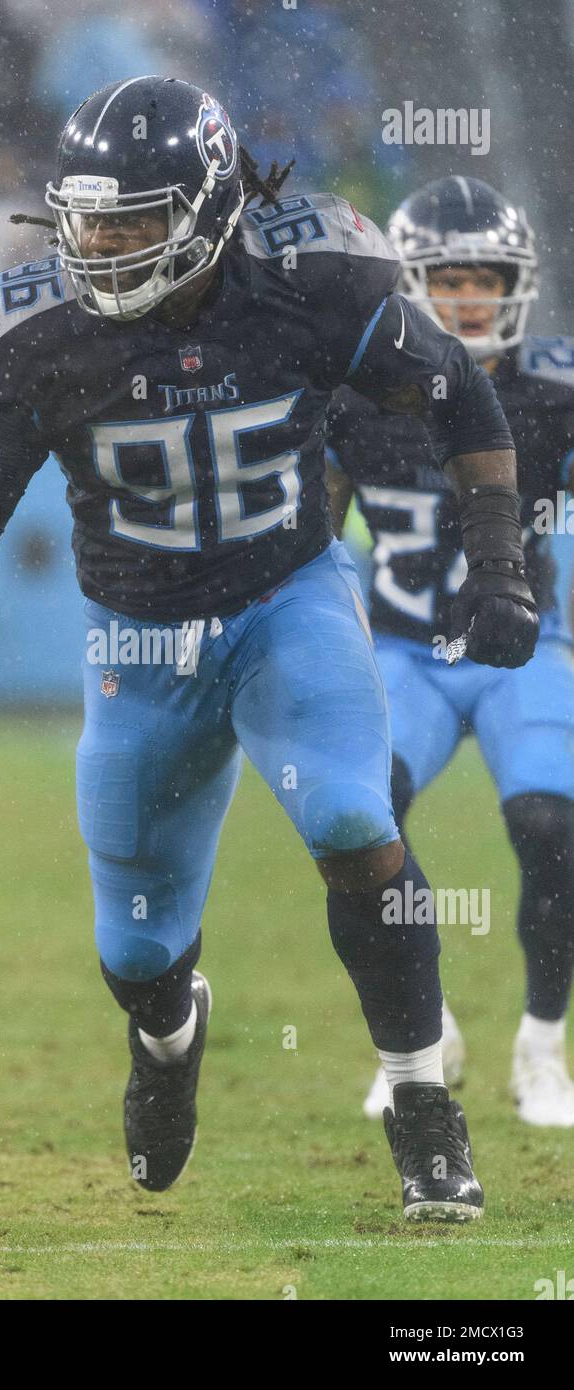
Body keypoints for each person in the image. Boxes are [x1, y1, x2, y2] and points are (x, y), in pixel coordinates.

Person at [0, 80, 538, 1221]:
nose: (101, 245)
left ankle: (420, 1104)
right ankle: (167, 1033)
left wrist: (496, 566)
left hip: (284, 601)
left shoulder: (312, 280)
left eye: (132, 221)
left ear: (202, 210)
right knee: (134, 949)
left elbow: (462, 409)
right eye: (89, 219)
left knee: (352, 822)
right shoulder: (42, 326)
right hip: (138, 647)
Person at [325, 177, 574, 1126]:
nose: (471, 300)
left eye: (488, 279)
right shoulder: (355, 393)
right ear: (411, 287)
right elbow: (312, 534)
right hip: (403, 649)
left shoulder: (550, 391)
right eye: (451, 279)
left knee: (551, 826)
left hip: (521, 647)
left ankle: (541, 1049)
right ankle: (418, 1041)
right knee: (359, 824)